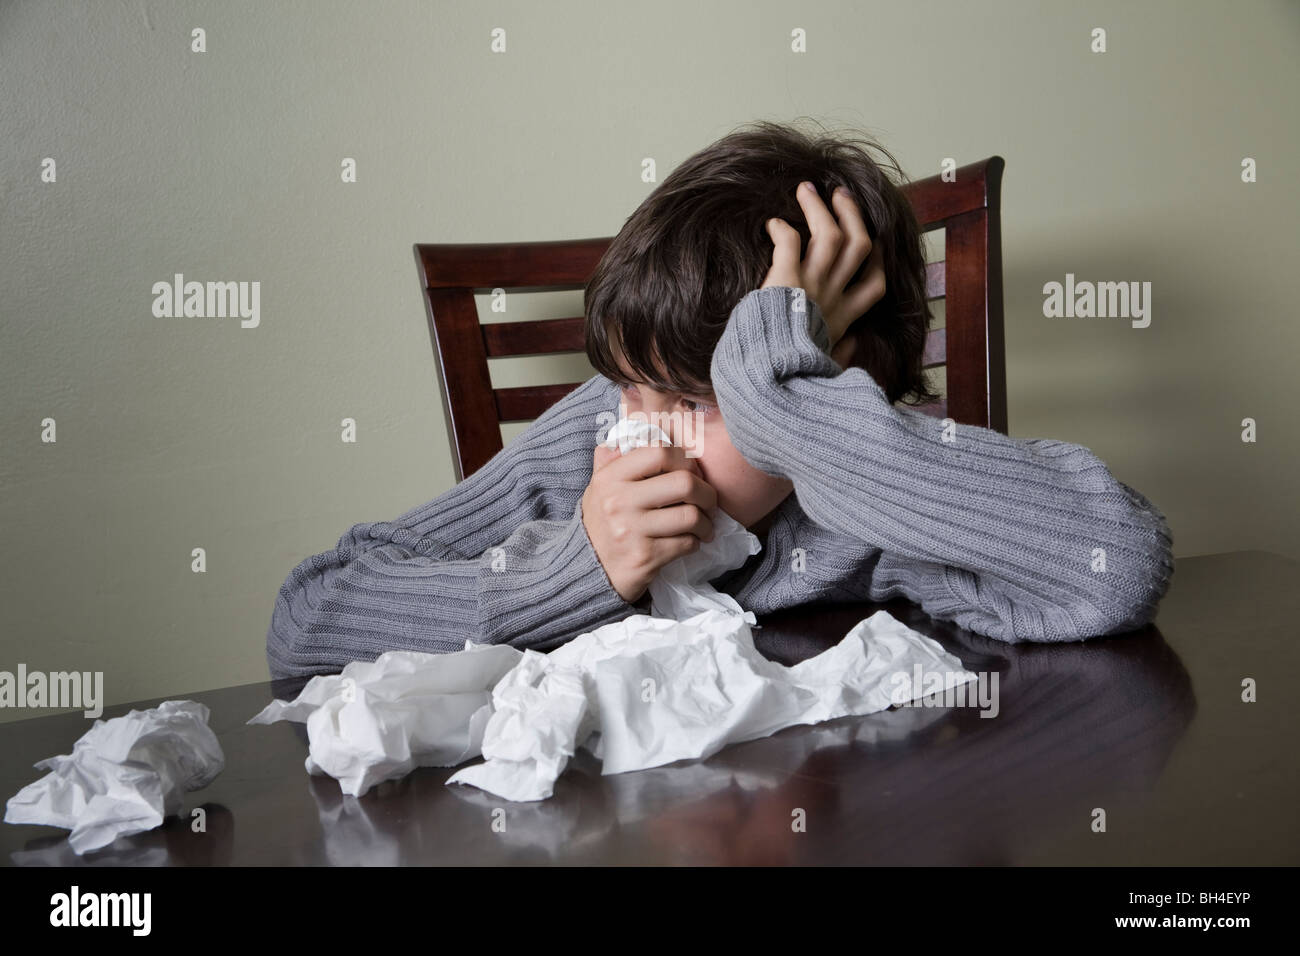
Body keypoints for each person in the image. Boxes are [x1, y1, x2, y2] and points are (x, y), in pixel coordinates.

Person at [266, 120, 1174, 681]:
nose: (640, 423)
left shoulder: (872, 503)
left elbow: (1120, 562)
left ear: (818, 382)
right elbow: (310, 617)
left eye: (705, 395)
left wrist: (787, 407)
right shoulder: (590, 436)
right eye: (632, 382)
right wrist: (569, 570)